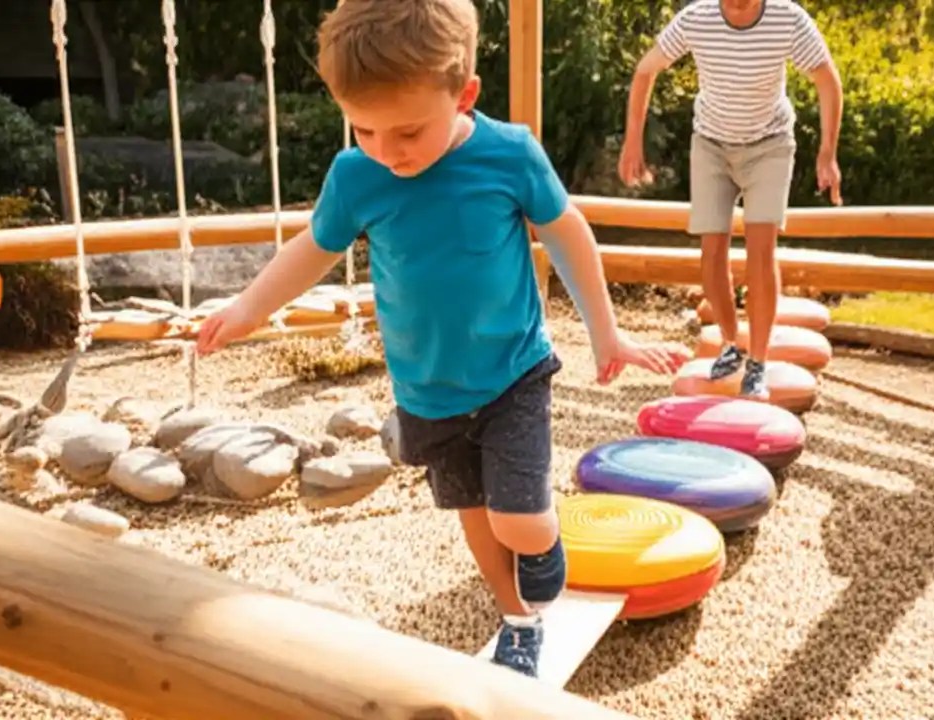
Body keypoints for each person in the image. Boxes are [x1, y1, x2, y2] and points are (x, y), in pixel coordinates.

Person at [195, 0, 690, 678]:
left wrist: (607, 334)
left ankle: (542, 541)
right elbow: (313, 248)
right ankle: (518, 620)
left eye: (407, 131)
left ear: (464, 95)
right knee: (474, 514)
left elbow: (568, 234)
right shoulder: (357, 175)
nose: (386, 150)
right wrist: (249, 307)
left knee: (517, 523)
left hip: (513, 374)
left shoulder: (508, 155)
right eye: (363, 128)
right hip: (426, 393)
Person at [619, 0, 843, 400]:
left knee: (761, 252)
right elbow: (645, 70)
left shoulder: (787, 18)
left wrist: (827, 152)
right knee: (711, 254)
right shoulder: (697, 18)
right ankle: (729, 343)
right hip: (711, 145)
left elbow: (827, 79)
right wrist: (632, 141)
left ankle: (757, 363)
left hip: (770, 145)